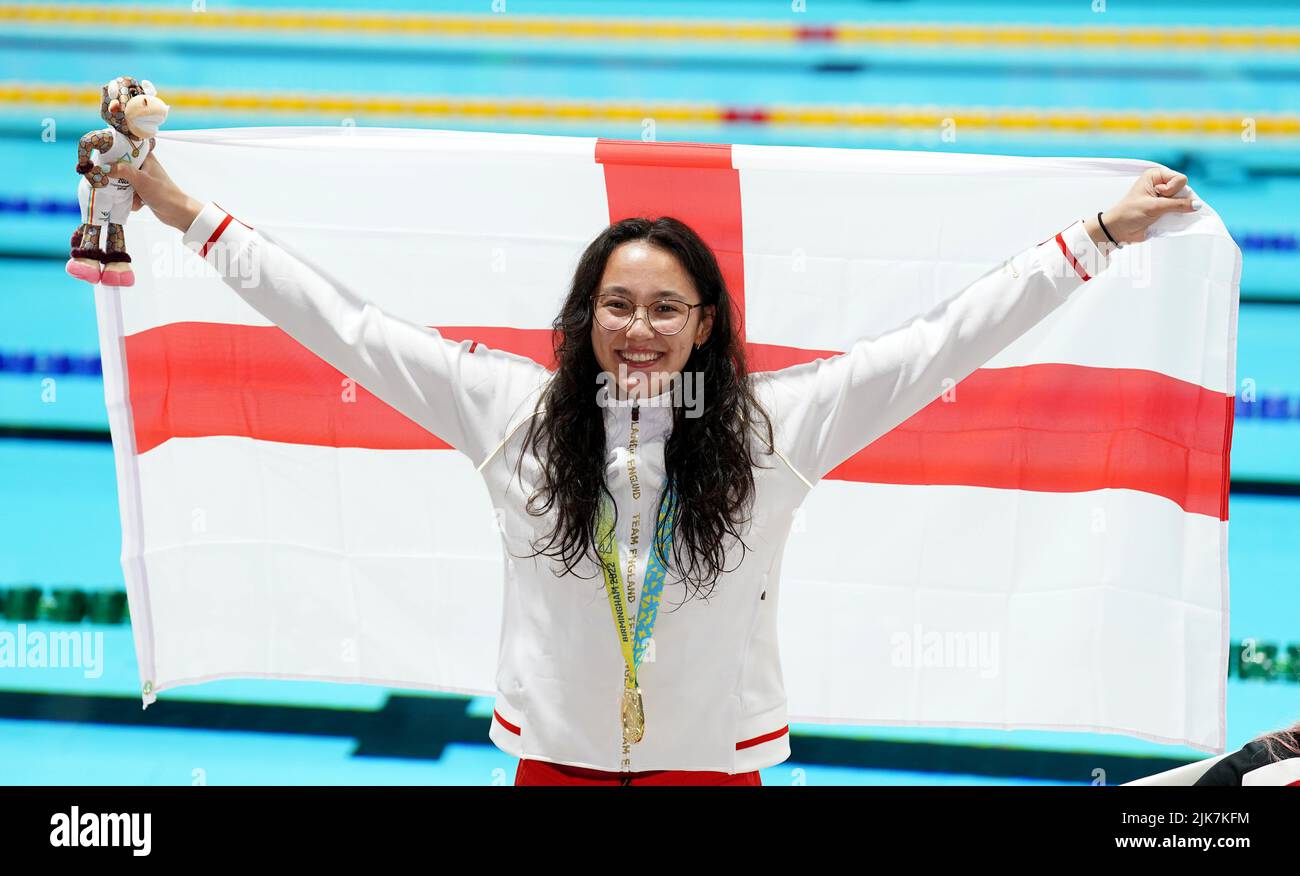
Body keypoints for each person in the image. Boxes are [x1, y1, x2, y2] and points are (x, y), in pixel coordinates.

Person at [109, 153, 1199, 786]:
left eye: (665, 306)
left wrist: (1098, 233)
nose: (638, 327)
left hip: (714, 769)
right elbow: (340, 324)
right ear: (585, 317)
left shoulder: (779, 424)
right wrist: (179, 210)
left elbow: (942, 344)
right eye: (616, 305)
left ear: (706, 322)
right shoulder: (510, 414)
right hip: (555, 765)